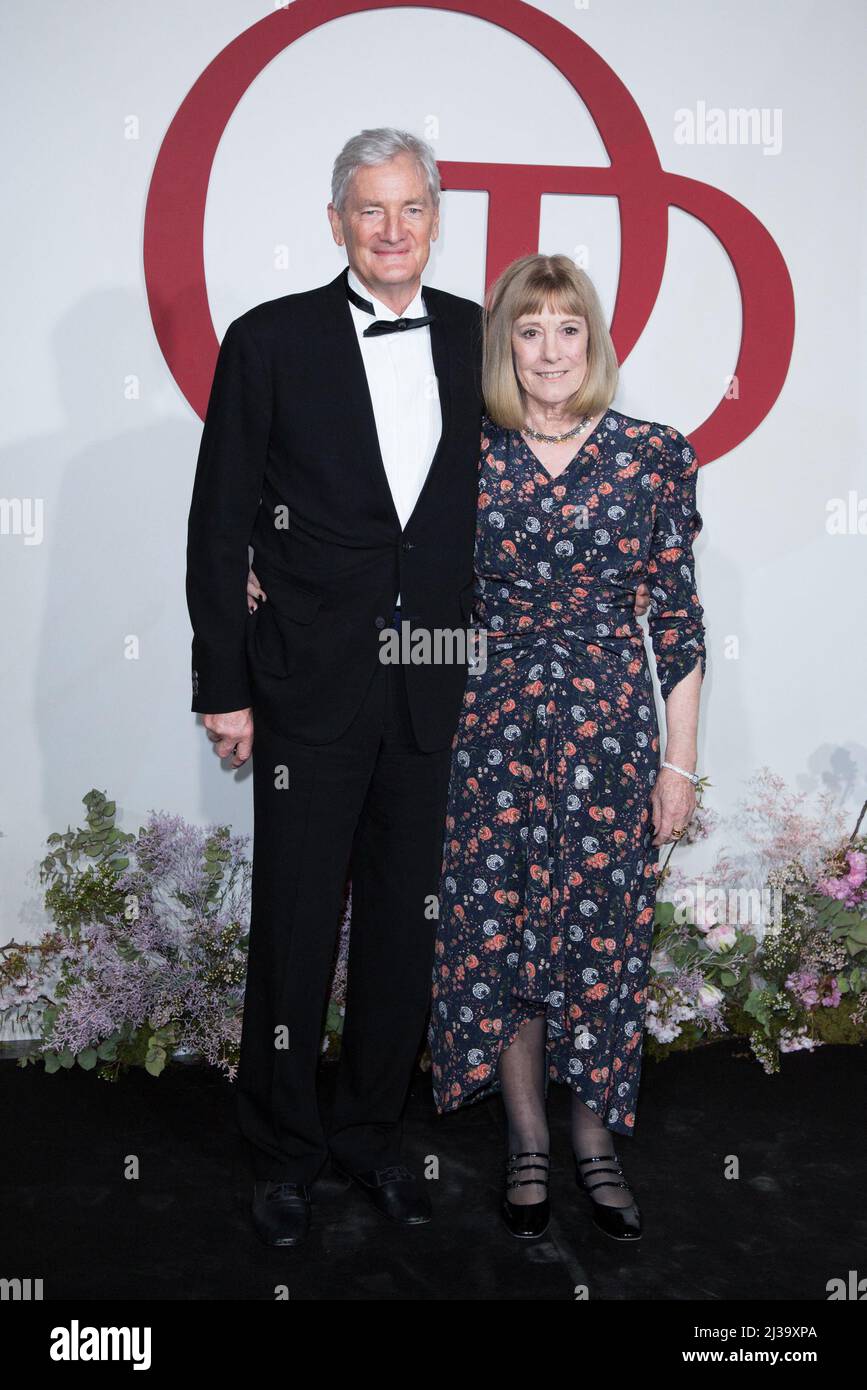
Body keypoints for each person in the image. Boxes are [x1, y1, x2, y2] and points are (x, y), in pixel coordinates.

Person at [186, 128, 487, 1247]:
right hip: (305, 683)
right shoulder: (268, 341)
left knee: (406, 934)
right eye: (371, 209)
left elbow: (512, 498)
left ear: (437, 216)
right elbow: (222, 521)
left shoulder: (476, 334)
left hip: (432, 684)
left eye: (412, 207)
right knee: (298, 925)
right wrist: (226, 684)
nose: (393, 228)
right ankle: (282, 1149)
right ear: (336, 222)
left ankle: (369, 1137)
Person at [426, 253, 707, 1242]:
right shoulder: (464, 453)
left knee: (601, 934)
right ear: (505, 343)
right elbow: (397, 574)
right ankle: (529, 1135)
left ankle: (596, 1133)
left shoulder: (653, 453)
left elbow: (676, 622)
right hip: (490, 729)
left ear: (594, 340)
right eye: (529, 329)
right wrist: (267, 576)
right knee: (502, 930)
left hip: (611, 730)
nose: (549, 349)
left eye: (568, 327)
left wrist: (678, 764)